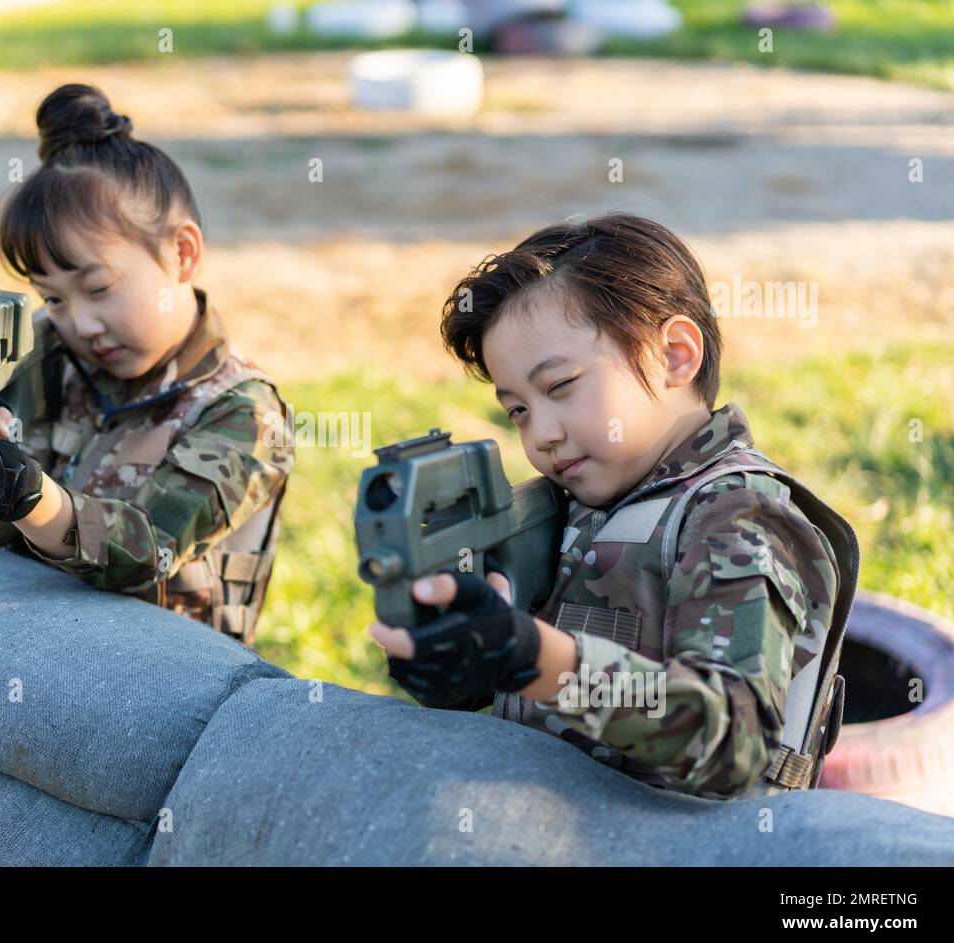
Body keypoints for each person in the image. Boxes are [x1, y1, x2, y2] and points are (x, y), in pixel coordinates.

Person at [368, 213, 859, 798]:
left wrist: (534, 657)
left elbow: (734, 740)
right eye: (516, 409)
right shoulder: (572, 508)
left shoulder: (738, 515)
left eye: (560, 386)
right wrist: (449, 659)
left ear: (675, 355)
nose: (541, 434)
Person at [0, 83, 294, 647]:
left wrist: (30, 497)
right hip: (23, 641)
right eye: (55, 299)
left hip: (164, 674)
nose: (81, 322)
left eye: (99, 288)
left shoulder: (244, 413)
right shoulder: (45, 355)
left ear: (182, 253)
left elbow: (152, 548)